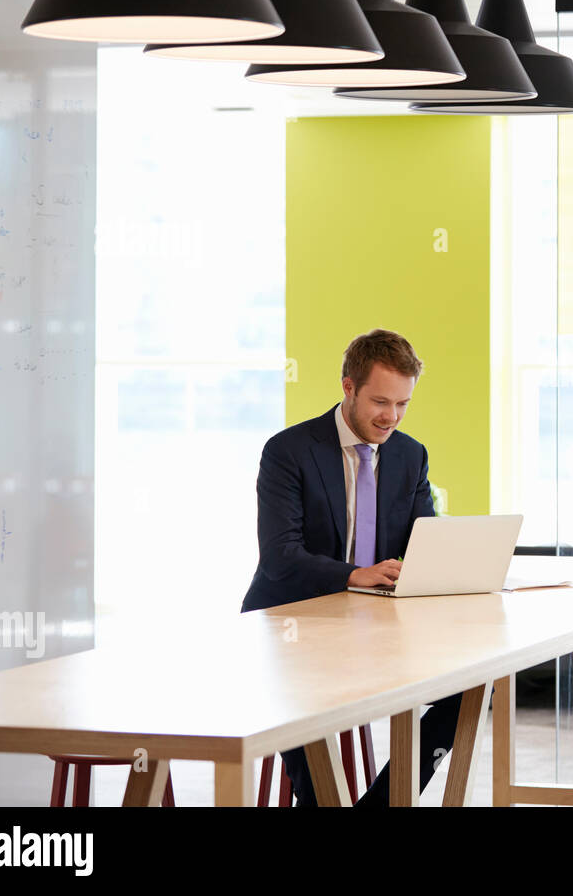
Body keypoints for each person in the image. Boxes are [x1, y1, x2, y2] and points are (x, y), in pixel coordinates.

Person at [241, 328, 461, 806]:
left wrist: (452, 563)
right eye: (381, 402)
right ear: (348, 387)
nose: (392, 417)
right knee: (315, 766)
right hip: (290, 625)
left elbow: (424, 541)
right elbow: (279, 556)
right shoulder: (289, 452)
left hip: (373, 626)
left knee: (472, 685)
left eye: (403, 404)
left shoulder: (409, 454)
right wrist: (350, 574)